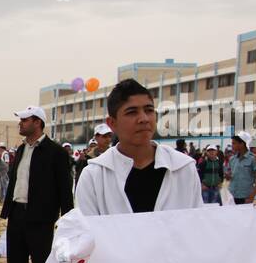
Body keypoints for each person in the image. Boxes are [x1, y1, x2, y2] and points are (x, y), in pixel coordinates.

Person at [73, 81, 201, 216]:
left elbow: (197, 226)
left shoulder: (183, 168)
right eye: (132, 112)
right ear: (112, 123)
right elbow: (85, 231)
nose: (144, 119)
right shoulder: (94, 176)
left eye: (149, 110)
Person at [0, 105, 73, 263]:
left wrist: (67, 219)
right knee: (15, 261)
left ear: (38, 122)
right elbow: (15, 181)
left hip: (41, 216)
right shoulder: (21, 149)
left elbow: (64, 188)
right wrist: (8, 210)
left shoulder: (56, 152)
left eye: (25, 120)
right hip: (17, 213)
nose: (20, 124)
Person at [224, 132, 256, 204]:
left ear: (242, 144)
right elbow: (230, 175)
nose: (232, 146)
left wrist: (252, 196)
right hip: (232, 195)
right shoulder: (232, 159)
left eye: (234, 143)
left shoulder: (253, 158)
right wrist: (228, 176)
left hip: (246, 197)